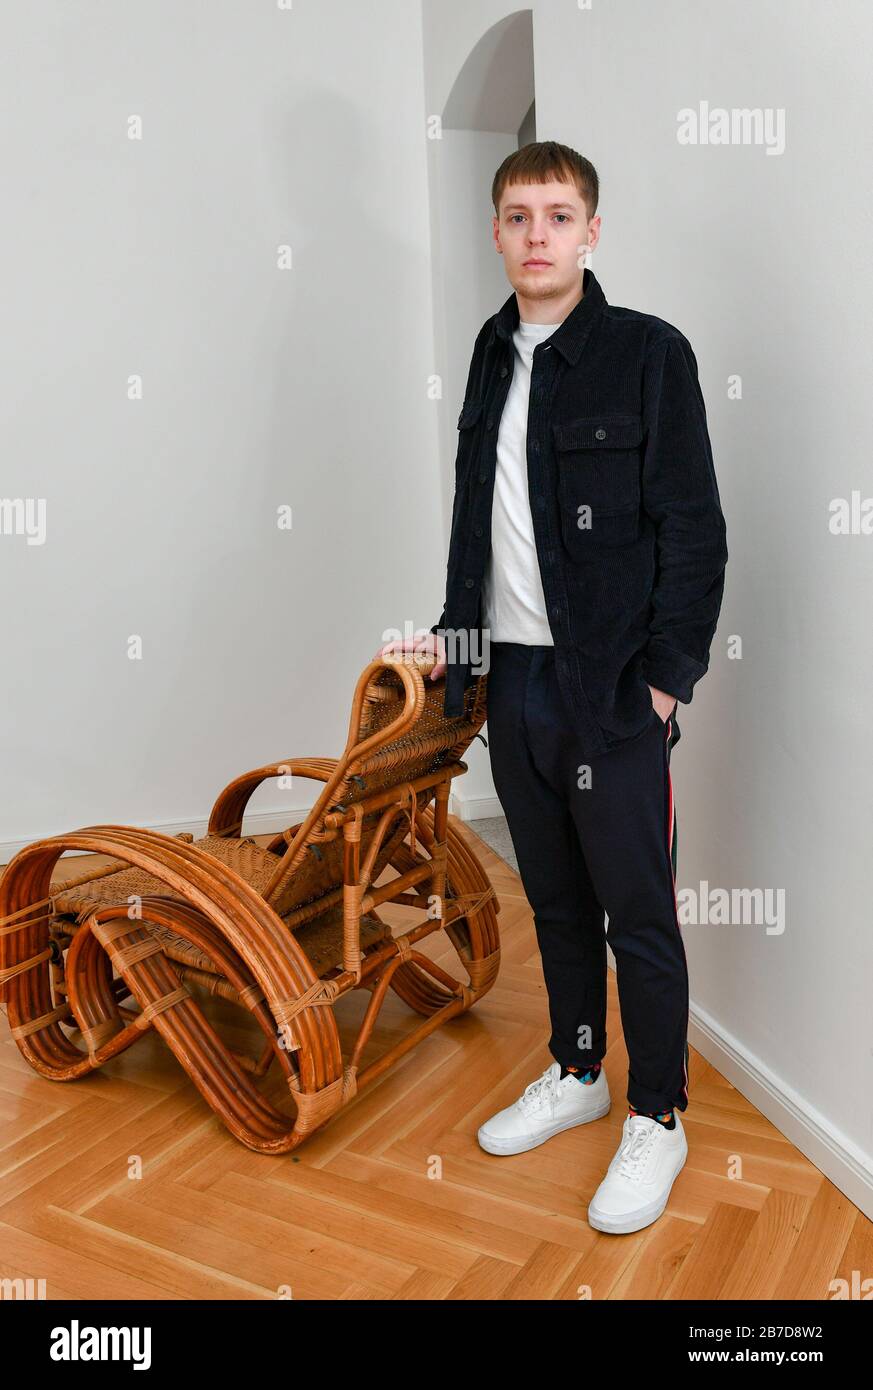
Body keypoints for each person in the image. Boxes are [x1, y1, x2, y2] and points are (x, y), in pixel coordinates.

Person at [376, 140, 727, 1235]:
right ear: (497, 233)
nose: (539, 235)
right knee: (555, 902)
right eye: (519, 216)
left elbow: (694, 530)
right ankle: (576, 1070)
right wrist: (457, 640)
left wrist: (663, 685)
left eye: (559, 215)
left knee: (639, 916)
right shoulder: (489, 354)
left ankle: (657, 1115)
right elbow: (472, 518)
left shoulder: (647, 354)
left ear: (591, 231)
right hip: (513, 682)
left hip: (611, 688)